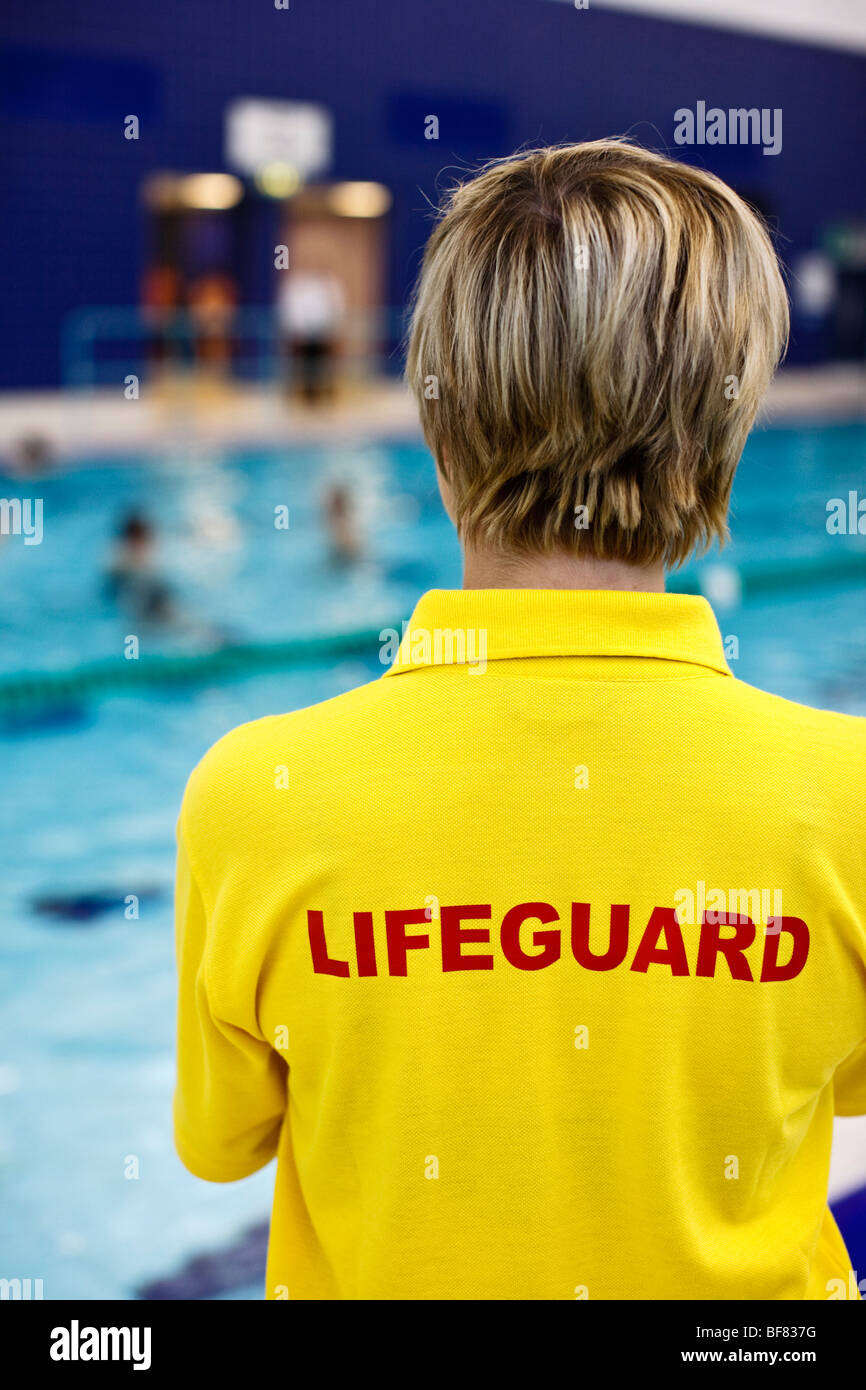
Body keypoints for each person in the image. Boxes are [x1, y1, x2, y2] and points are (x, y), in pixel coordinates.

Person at [173, 140, 866, 1301]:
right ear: (718, 450)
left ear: (438, 437)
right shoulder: (840, 794)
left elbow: (218, 1140)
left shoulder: (259, 790)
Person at [277, 264, 345, 404]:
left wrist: (333, 330)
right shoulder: (296, 285)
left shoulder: (329, 285)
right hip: (303, 337)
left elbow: (336, 309)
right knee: (303, 368)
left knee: (323, 368)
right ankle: (305, 398)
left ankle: (323, 397)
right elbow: (290, 310)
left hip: (323, 336)